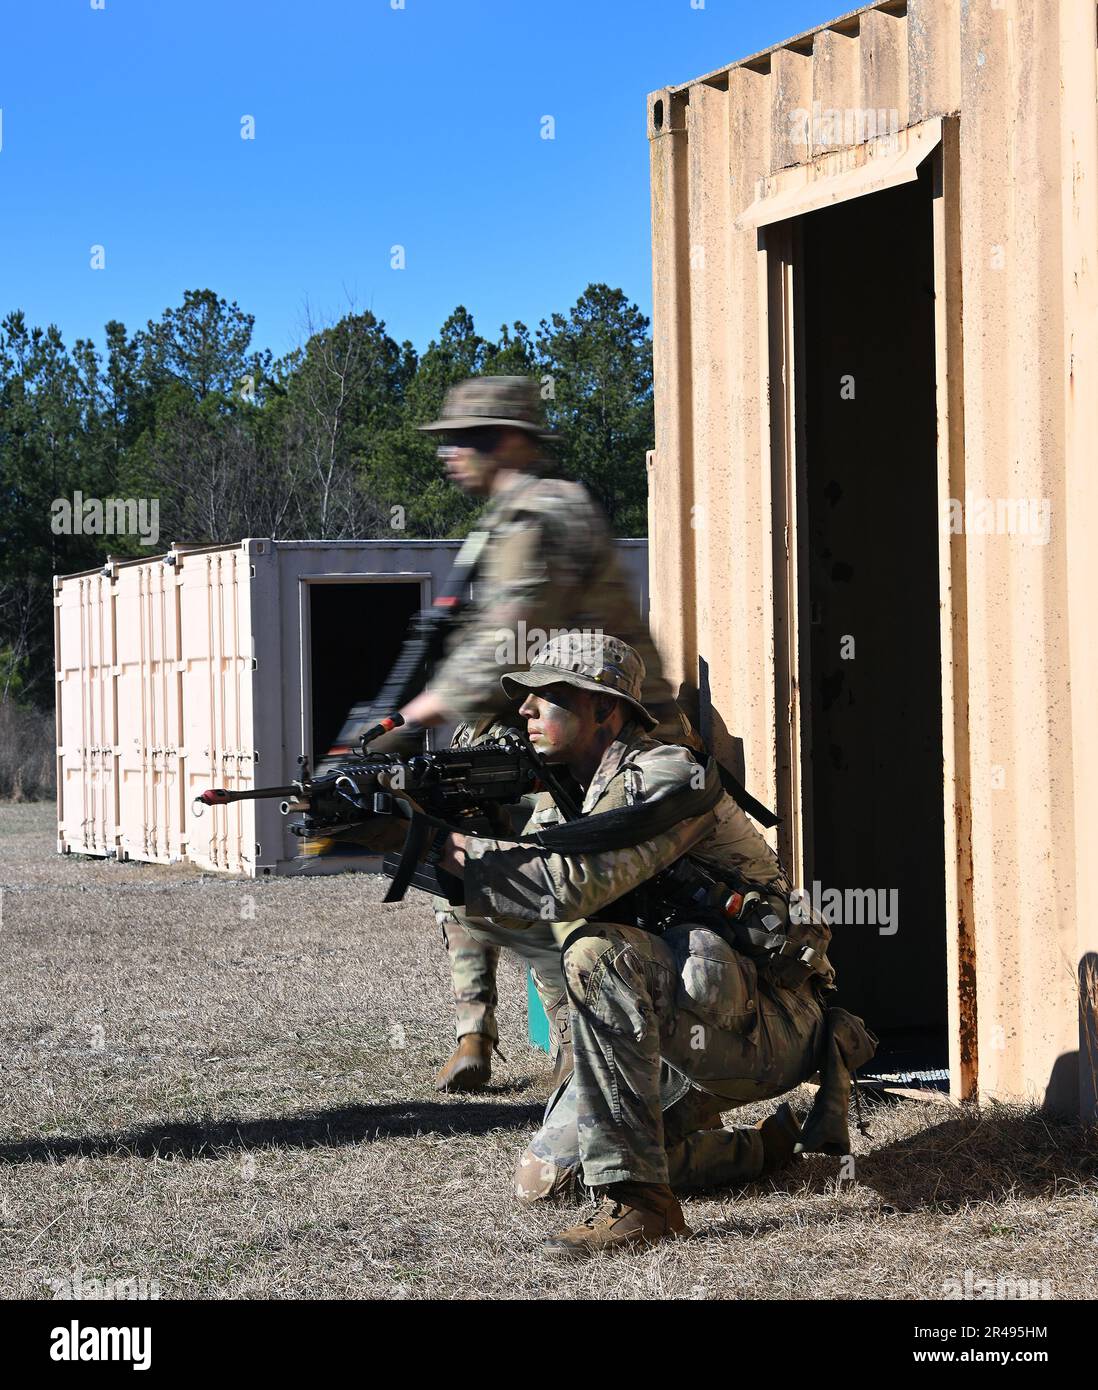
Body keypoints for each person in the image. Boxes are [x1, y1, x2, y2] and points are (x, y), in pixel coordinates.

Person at [426, 632, 874, 1257]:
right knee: (548, 1179)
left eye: (547, 698)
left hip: (768, 1022)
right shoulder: (570, 799)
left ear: (606, 710)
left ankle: (642, 1204)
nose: (525, 711)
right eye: (525, 699)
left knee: (596, 953)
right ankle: (761, 1148)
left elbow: (565, 890)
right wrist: (431, 841)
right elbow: (514, 903)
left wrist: (442, 847)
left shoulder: (666, 774)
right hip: (676, 1019)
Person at [395, 375, 698, 1092]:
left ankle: (575, 1040)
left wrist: (409, 717)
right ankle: (475, 1031)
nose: (449, 456)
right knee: (456, 860)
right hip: (546, 737)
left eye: (464, 441)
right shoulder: (508, 519)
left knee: (524, 880)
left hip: (618, 750)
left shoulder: (541, 514)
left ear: (511, 441)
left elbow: (508, 641)